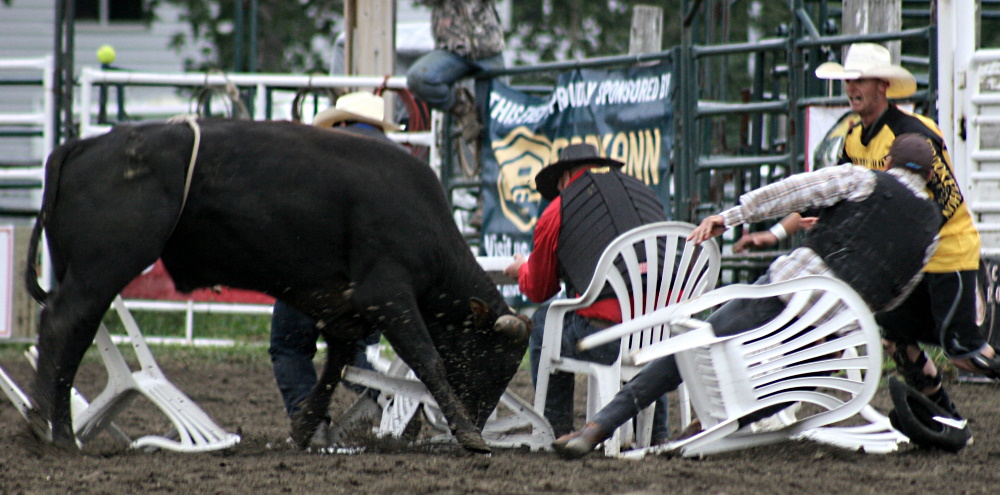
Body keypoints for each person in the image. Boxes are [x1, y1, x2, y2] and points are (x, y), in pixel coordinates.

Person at [551, 133, 944, 459]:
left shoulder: (865, 180)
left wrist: (732, 217)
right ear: (928, 176)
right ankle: (700, 434)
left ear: (887, 162)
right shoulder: (931, 233)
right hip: (832, 331)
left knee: (689, 351)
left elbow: (794, 191)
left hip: (787, 289)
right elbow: (896, 295)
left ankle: (598, 426)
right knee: (781, 390)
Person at [744, 42, 998, 419]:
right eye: (848, 81)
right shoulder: (853, 138)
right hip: (904, 263)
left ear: (883, 85)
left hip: (947, 253)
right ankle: (945, 418)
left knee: (963, 353)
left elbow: (947, 202)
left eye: (859, 80)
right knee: (894, 338)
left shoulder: (914, 135)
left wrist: (897, 234)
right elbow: (825, 195)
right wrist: (776, 233)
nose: (851, 88)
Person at [502, 143, 671, 442]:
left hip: (606, 338)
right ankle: (657, 434)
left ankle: (554, 431)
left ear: (565, 177)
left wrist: (522, 269)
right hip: (663, 335)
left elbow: (539, 289)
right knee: (645, 321)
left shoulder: (558, 209)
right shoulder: (643, 195)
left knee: (544, 322)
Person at [269, 91, 400, 448]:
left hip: (308, 270)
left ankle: (310, 422)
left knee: (290, 346)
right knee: (356, 353)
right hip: (372, 276)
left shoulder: (312, 155)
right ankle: (391, 399)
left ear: (340, 122)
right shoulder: (400, 163)